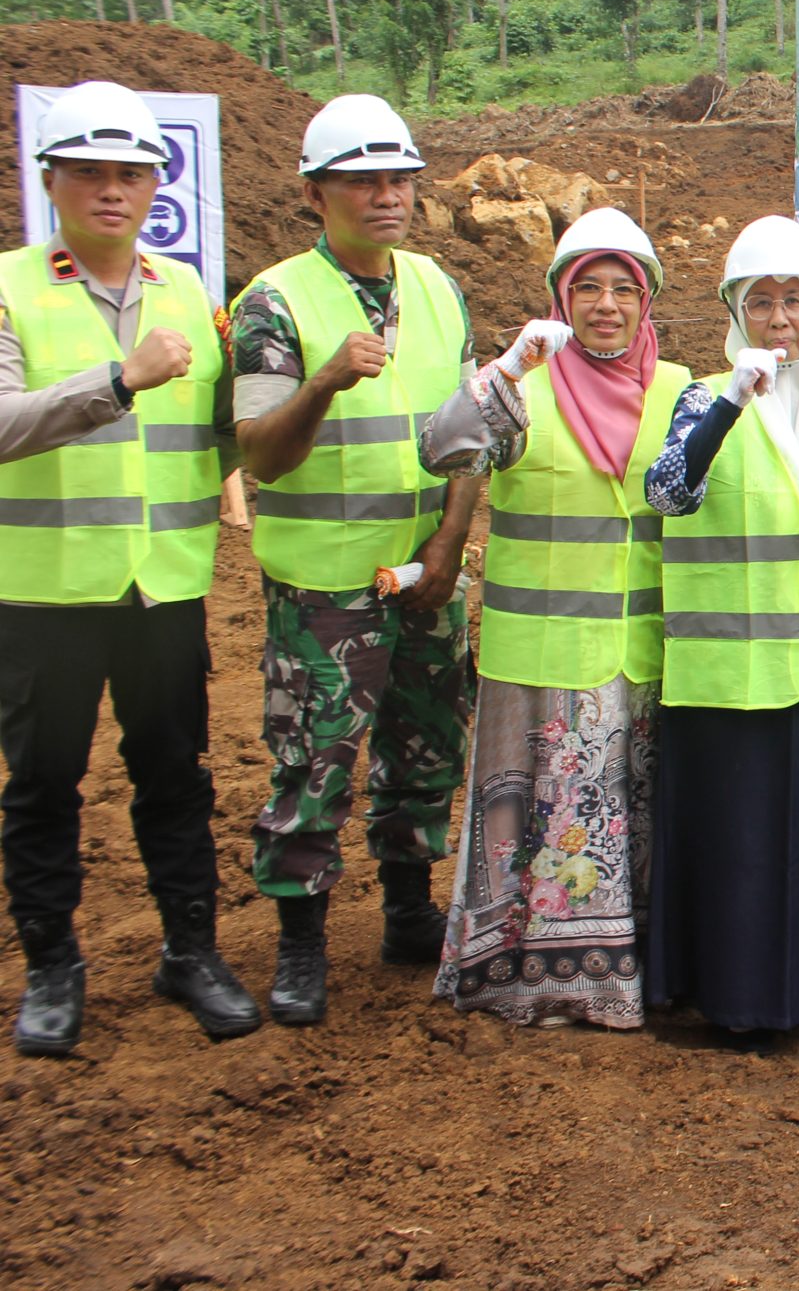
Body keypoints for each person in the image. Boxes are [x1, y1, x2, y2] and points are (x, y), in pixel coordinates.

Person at [1, 81, 260, 1055]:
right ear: (52, 181)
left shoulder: (189, 292)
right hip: (46, 592)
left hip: (164, 586)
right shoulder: (12, 288)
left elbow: (223, 429)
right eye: (90, 173)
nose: (113, 190)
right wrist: (117, 380)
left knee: (174, 777)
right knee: (43, 785)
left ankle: (190, 952)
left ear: (158, 183)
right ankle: (52, 970)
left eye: (131, 174)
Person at [234, 94, 480, 1026]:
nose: (387, 196)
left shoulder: (437, 286)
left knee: (426, 748)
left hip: (423, 573)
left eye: (399, 180)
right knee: (316, 761)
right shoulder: (274, 301)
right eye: (362, 181)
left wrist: (449, 543)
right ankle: (301, 940)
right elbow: (261, 453)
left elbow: (468, 432)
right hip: (326, 587)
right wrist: (325, 380)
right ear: (315, 194)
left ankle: (408, 913)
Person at [418, 209, 689, 1030]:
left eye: (623, 290)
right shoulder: (524, 387)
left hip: (640, 657)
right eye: (588, 288)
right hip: (539, 661)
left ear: (646, 302)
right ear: (561, 298)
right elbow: (441, 447)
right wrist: (506, 369)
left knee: (628, 817)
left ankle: (631, 971)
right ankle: (531, 978)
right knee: (542, 825)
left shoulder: (679, 390)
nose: (606, 305)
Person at [644, 216, 799, 1037]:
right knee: (735, 845)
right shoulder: (703, 396)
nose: (779, 320)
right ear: (735, 311)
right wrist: (732, 403)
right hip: (724, 679)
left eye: (795, 301)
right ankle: (734, 1001)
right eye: (761, 302)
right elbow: (668, 490)